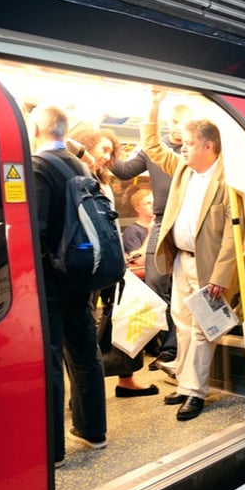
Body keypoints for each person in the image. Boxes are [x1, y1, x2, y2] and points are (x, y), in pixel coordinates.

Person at [142, 100, 238, 421]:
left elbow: (233, 232)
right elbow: (151, 147)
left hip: (208, 267)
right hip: (182, 260)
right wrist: (153, 106)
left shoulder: (228, 178)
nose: (182, 149)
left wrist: (221, 274)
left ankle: (195, 393)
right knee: (181, 320)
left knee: (202, 328)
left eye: (189, 144)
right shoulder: (184, 169)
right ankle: (184, 384)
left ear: (208, 146)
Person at [29, 105, 107, 467]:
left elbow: (38, 228)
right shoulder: (83, 165)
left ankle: (53, 450)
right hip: (82, 274)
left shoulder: (38, 167)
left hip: (52, 278)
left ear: (37, 129)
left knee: (51, 357)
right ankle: (93, 432)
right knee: (84, 350)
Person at [108, 91, 192, 369]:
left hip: (190, 219)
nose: (179, 128)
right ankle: (168, 344)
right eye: (175, 122)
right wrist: (107, 150)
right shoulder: (153, 148)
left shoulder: (195, 149)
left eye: (184, 122)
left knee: (190, 284)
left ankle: (183, 344)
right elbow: (124, 170)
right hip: (162, 220)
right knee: (156, 282)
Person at [75, 127, 159, 399]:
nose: (108, 157)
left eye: (111, 152)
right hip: (88, 263)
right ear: (86, 148)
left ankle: (126, 378)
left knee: (126, 315)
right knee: (84, 326)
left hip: (111, 261)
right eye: (104, 150)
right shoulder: (75, 176)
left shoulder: (105, 179)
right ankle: (82, 390)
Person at [122, 188, 154, 275]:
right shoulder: (132, 231)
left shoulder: (161, 227)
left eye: (154, 202)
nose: (153, 206)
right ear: (138, 209)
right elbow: (139, 260)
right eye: (148, 203)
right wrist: (150, 234)